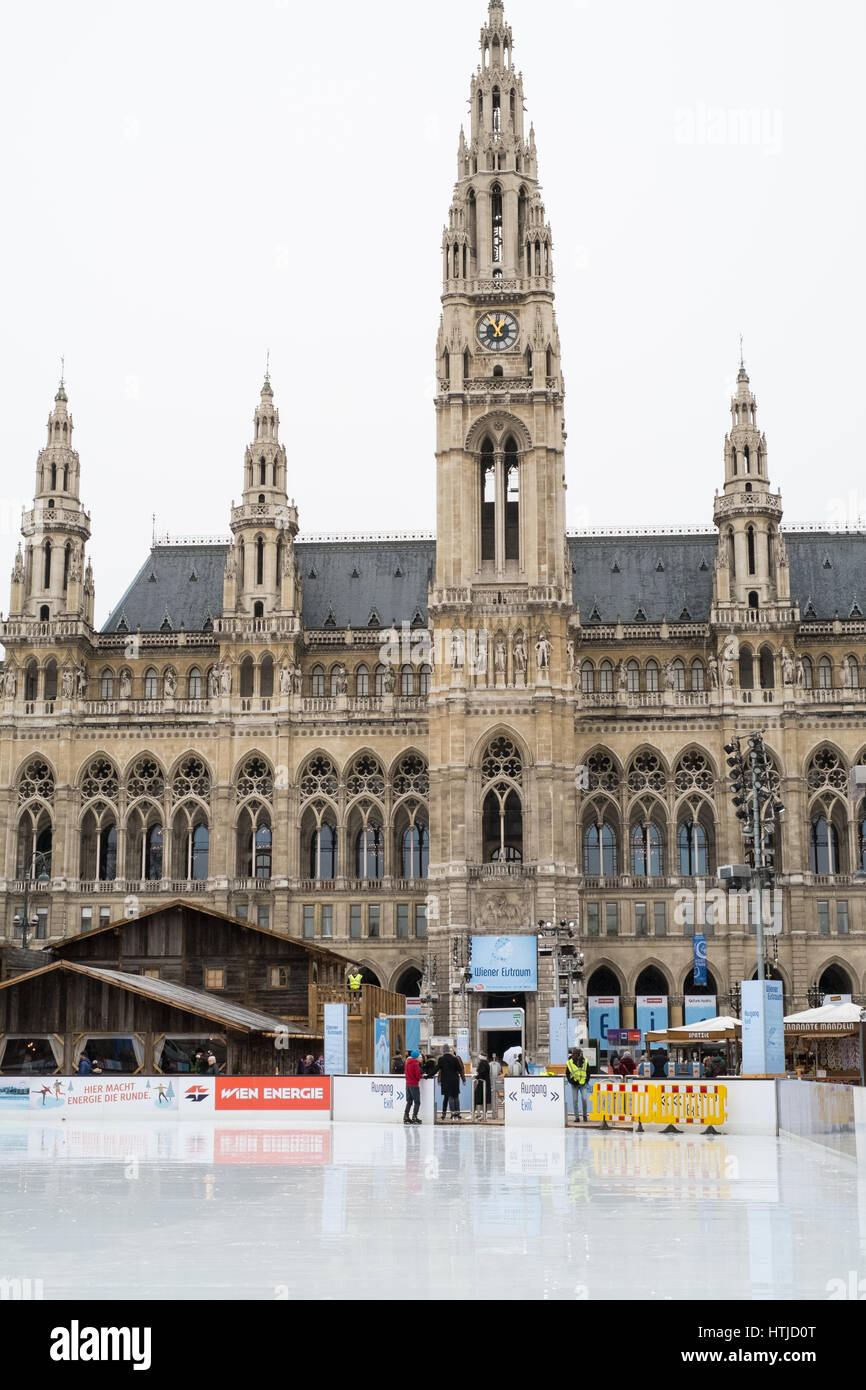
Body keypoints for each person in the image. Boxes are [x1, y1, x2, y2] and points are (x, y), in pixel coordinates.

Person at [436, 1046, 465, 1122]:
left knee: (451, 1097)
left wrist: (463, 1079)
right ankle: (451, 1113)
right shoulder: (454, 1059)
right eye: (450, 1050)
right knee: (451, 1097)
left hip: (447, 1081)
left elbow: (438, 1069)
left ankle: (454, 1113)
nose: (451, 1052)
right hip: (453, 1080)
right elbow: (460, 1069)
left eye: (452, 1051)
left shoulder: (445, 1059)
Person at [566, 1048, 591, 1124]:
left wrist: (586, 1080)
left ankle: (584, 1115)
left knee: (584, 1099)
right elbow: (567, 1074)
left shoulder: (585, 1061)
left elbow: (588, 1072)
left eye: (577, 1054)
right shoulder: (569, 1063)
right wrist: (572, 1081)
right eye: (574, 1054)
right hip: (574, 1084)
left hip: (583, 1084)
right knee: (575, 1100)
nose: (575, 1055)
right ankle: (577, 1117)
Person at [403, 1049, 422, 1125]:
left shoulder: (407, 1063)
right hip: (414, 1084)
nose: (420, 1058)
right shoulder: (415, 1064)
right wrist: (420, 1077)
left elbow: (406, 1073)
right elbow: (417, 1075)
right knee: (417, 1101)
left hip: (408, 1084)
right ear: (416, 1057)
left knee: (409, 1101)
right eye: (419, 1056)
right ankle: (414, 1116)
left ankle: (406, 1116)